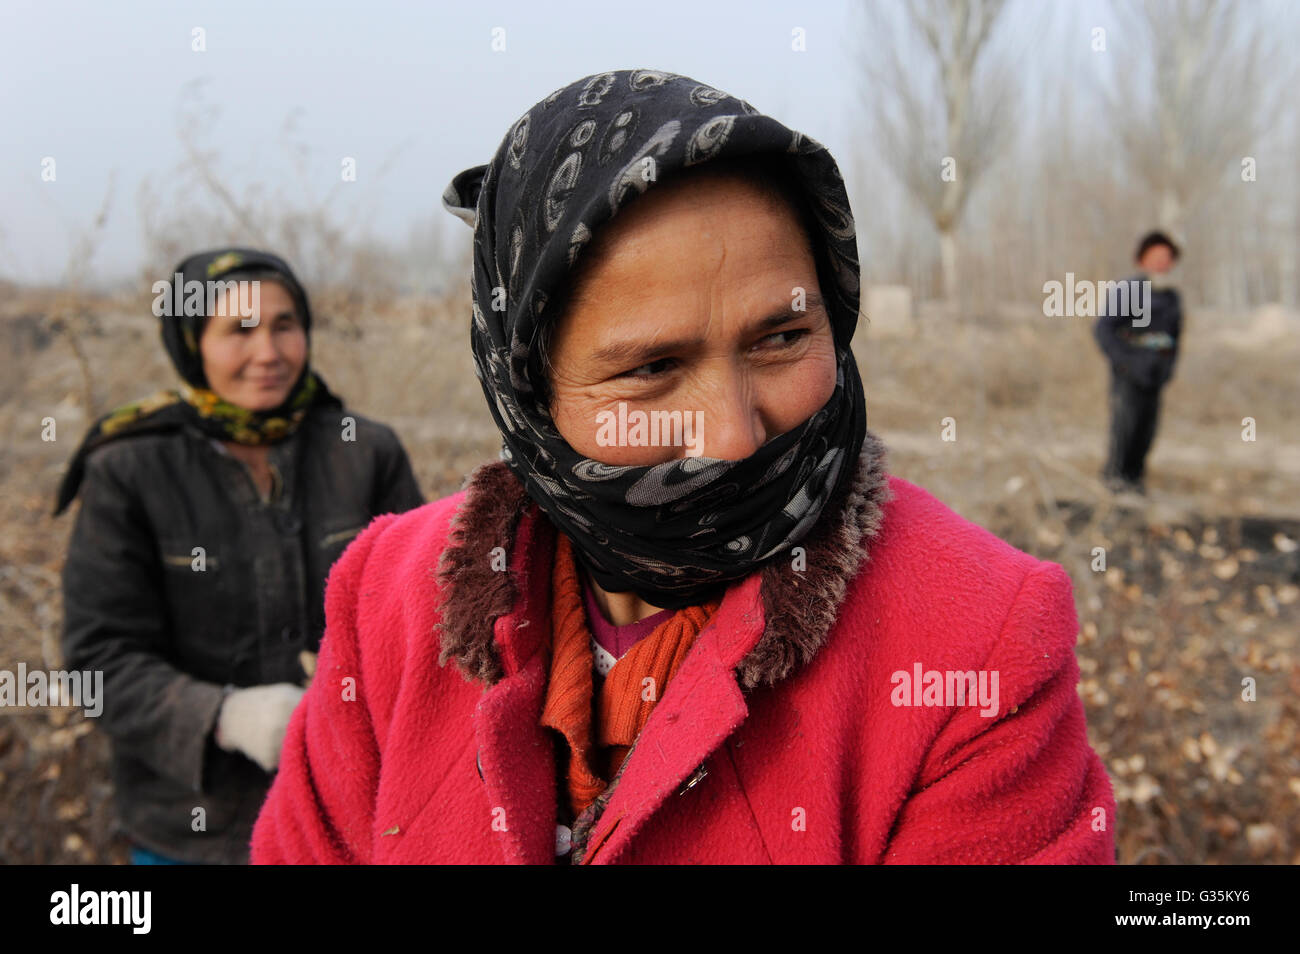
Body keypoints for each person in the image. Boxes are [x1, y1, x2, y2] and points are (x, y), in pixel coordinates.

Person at [252, 70, 1115, 864]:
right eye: (652, 369)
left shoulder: (978, 642)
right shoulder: (390, 597)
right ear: (525, 387)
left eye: (781, 338)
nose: (735, 437)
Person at [57, 248, 423, 864]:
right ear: (191, 341)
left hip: (349, 819)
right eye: (240, 331)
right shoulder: (130, 469)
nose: (269, 353)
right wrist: (227, 716)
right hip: (191, 832)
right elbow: (100, 661)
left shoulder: (364, 452)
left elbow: (420, 620)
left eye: (285, 325)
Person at [1094, 230, 1184, 495]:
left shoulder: (1170, 297)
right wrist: (1126, 363)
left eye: (1166, 257)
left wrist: (1167, 370)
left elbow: (1174, 338)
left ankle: (1135, 482)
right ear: (1141, 259)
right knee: (1126, 428)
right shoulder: (1130, 290)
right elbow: (1103, 330)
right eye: (1155, 256)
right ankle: (1114, 483)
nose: (1161, 262)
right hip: (1128, 376)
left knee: (1147, 431)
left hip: (1156, 376)